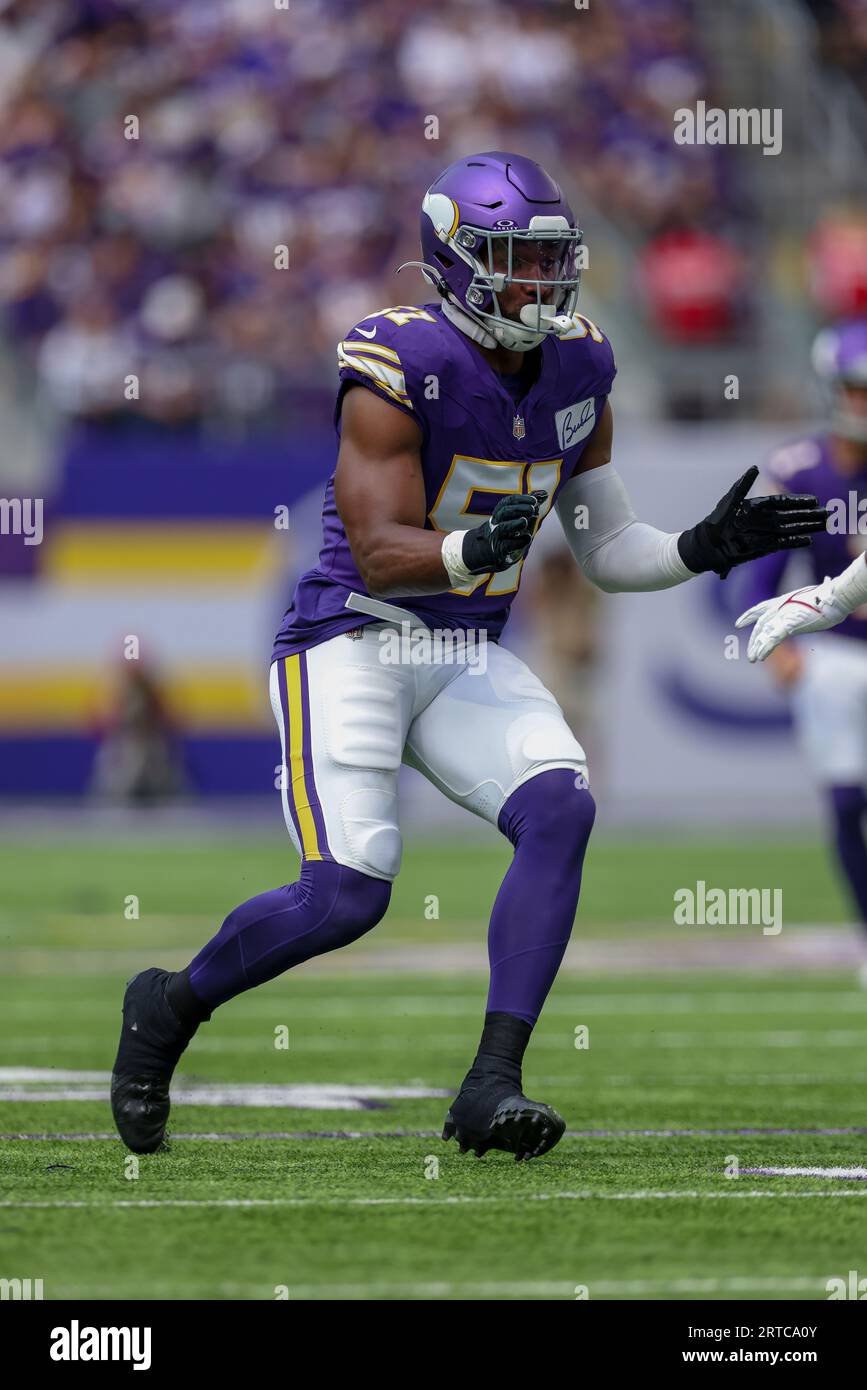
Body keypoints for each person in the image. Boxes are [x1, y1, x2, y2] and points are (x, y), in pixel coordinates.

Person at [111, 151, 826, 1161]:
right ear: (452, 261)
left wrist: (699, 550)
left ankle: (492, 1083)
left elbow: (609, 549)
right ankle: (168, 1007)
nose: (536, 284)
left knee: (562, 806)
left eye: (547, 261)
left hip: (462, 650)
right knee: (346, 895)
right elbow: (375, 544)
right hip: (348, 638)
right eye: (509, 260)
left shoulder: (581, 363)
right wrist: (460, 549)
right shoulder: (401, 360)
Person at [737, 321, 867, 977]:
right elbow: (762, 566)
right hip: (833, 649)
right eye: (856, 388)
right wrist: (777, 640)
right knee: (846, 799)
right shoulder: (799, 469)